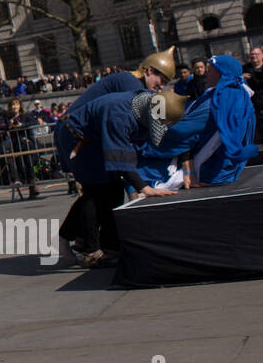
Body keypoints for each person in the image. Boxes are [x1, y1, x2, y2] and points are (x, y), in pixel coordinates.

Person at [55, 89, 186, 266]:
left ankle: (109, 246)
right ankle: (88, 249)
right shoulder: (119, 116)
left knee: (114, 189)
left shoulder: (150, 101)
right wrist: (144, 188)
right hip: (78, 141)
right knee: (97, 193)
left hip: (96, 140)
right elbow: (121, 159)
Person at [140, 55, 259, 189]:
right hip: (224, 169)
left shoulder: (217, 101)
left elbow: (183, 132)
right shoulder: (239, 96)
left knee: (141, 169)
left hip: (206, 169)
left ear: (220, 74)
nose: (206, 74)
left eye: (210, 70)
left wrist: (147, 138)